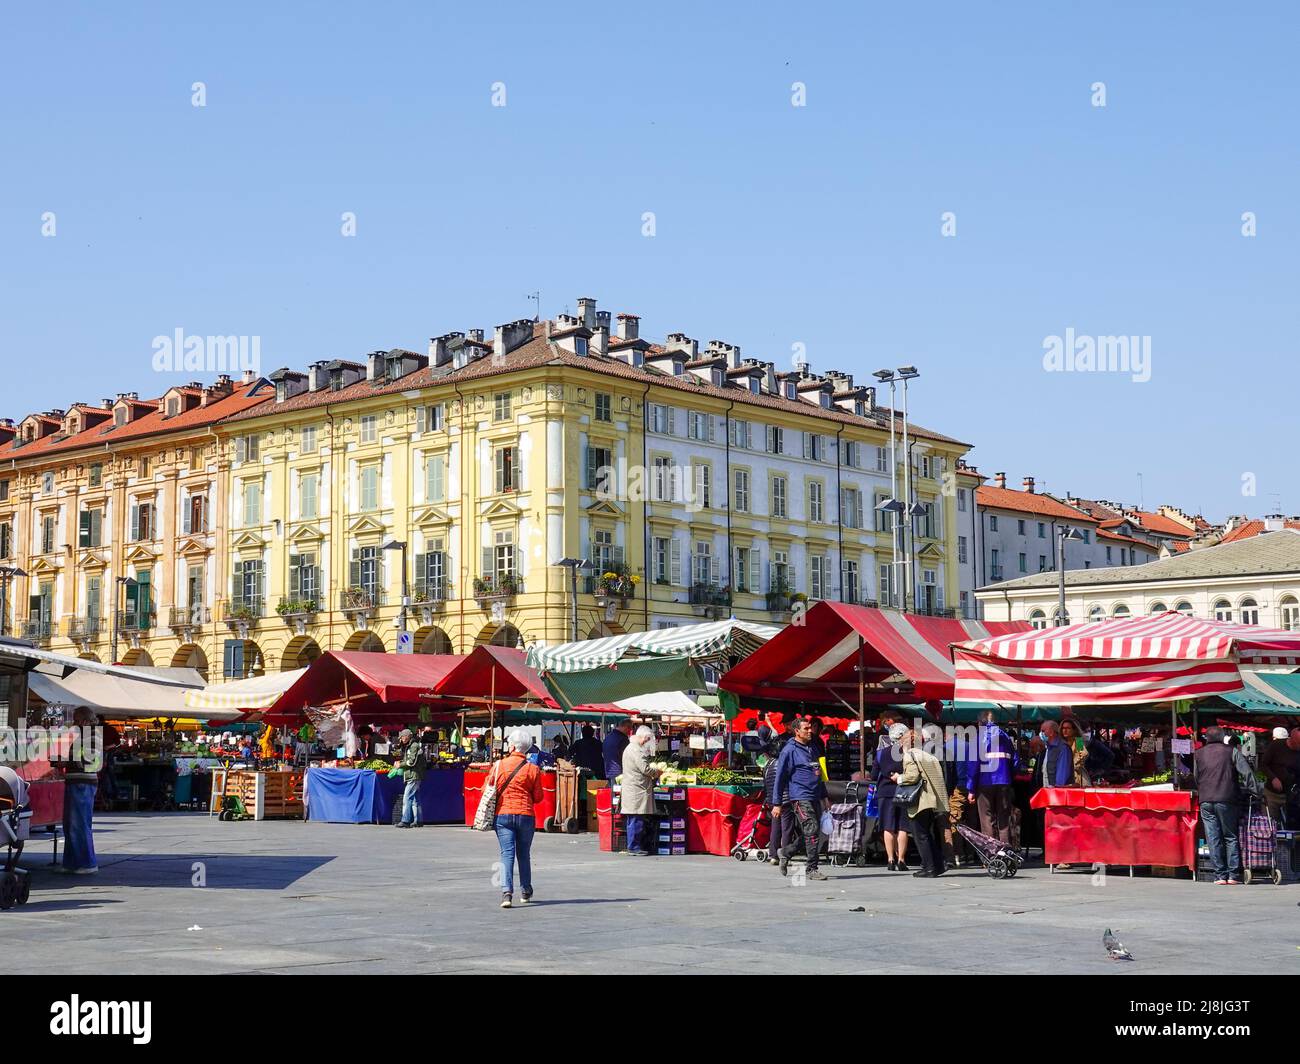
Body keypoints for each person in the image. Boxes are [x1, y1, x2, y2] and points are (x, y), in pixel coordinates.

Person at [1193, 725, 1258, 885]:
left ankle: (1219, 875)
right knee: (1230, 836)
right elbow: (1246, 773)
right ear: (1223, 737)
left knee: (1213, 837)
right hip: (1227, 798)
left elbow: (1196, 776)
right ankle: (1233, 875)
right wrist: (1256, 791)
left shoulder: (1199, 754)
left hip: (1206, 799)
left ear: (1206, 739)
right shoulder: (1231, 751)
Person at [490, 730, 546, 907]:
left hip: (503, 814)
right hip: (526, 815)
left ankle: (506, 893)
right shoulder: (533, 769)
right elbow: (538, 797)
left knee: (507, 853)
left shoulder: (499, 765)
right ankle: (526, 890)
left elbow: (488, 787)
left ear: (512, 746)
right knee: (524, 854)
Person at [771, 717, 830, 880]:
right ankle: (811, 869)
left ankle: (786, 852)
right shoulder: (789, 750)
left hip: (815, 795)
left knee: (813, 831)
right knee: (811, 829)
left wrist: (824, 796)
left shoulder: (813, 748)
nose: (810, 731)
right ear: (797, 731)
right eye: (806, 728)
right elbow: (780, 778)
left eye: (810, 728)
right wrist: (777, 803)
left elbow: (819, 773)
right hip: (799, 796)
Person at [896, 723, 949, 878]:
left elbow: (912, 776)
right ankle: (938, 865)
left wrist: (898, 778)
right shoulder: (929, 756)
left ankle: (929, 867)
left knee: (920, 835)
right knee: (927, 833)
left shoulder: (910, 755)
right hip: (932, 800)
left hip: (920, 801)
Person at [964, 709, 1018, 846]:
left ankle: (991, 853)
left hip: (984, 783)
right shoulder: (1005, 737)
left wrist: (971, 788)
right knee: (1004, 819)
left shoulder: (977, 738)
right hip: (1004, 782)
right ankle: (1006, 851)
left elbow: (973, 765)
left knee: (986, 818)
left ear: (979, 722)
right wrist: (1009, 777)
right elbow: (1015, 761)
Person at [61, 707, 102, 875]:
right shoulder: (85, 735)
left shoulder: (92, 736)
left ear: (84, 720)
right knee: (71, 824)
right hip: (77, 781)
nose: (74, 724)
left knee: (79, 824)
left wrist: (65, 762)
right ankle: (72, 863)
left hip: (82, 783)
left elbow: (88, 760)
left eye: (76, 720)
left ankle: (86, 863)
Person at [873, 717, 910, 871]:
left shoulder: (881, 753)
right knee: (903, 827)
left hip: (885, 792)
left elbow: (874, 774)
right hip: (903, 791)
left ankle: (890, 860)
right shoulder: (907, 753)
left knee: (888, 827)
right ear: (901, 736)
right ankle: (901, 860)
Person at [619, 726, 661, 855]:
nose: (646, 742)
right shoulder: (636, 750)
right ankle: (634, 847)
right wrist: (657, 772)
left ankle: (633, 846)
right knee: (636, 819)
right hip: (637, 790)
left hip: (632, 789)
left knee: (634, 819)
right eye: (647, 739)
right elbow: (645, 769)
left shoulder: (630, 748)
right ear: (642, 737)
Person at [1259, 726, 1300, 823]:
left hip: (1290, 795)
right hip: (1272, 794)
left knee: (1290, 824)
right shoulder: (1276, 746)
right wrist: (1273, 778)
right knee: (1270, 823)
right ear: (1292, 739)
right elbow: (1263, 764)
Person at [396, 729, 427, 828]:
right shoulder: (411, 746)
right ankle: (418, 820)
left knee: (407, 797)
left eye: (402, 737)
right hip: (414, 775)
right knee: (415, 799)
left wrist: (400, 765)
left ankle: (405, 820)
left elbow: (411, 762)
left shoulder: (413, 746)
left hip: (413, 775)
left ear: (408, 736)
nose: (401, 739)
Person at [1038, 721, 1074, 788]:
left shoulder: (1078, 740)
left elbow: (1081, 755)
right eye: (1063, 728)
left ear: (1073, 730)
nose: (1065, 730)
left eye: (1068, 728)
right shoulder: (1050, 746)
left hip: (1077, 775)